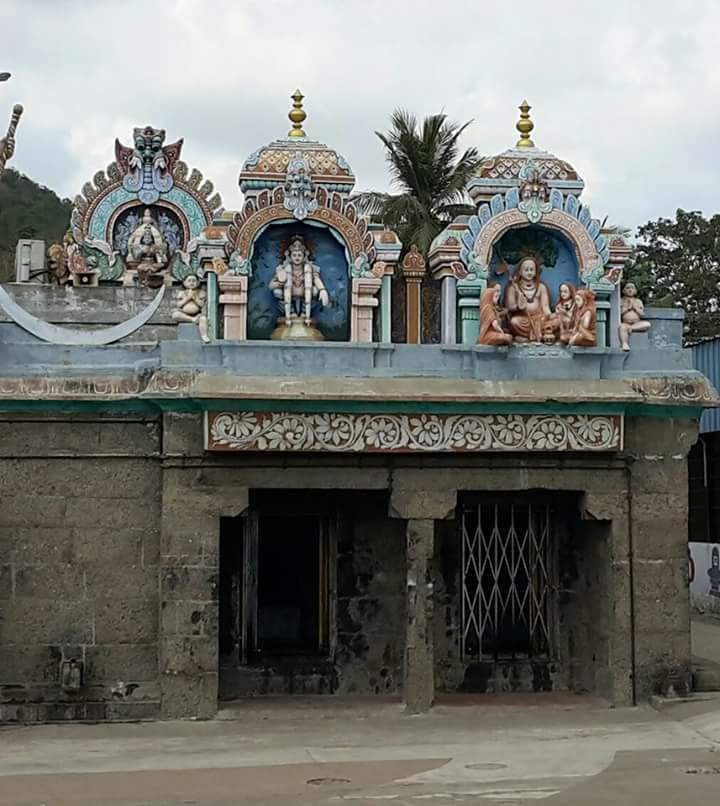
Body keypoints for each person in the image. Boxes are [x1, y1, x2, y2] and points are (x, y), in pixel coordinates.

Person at [505, 257, 552, 343]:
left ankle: (536, 334)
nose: (529, 272)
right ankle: (522, 336)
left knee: (555, 321)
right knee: (514, 322)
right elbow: (510, 307)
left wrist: (548, 317)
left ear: (536, 271)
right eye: (526, 270)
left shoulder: (541, 287)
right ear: (520, 271)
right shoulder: (513, 288)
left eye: (532, 269)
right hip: (522, 319)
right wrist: (519, 306)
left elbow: (545, 307)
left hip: (539, 318)